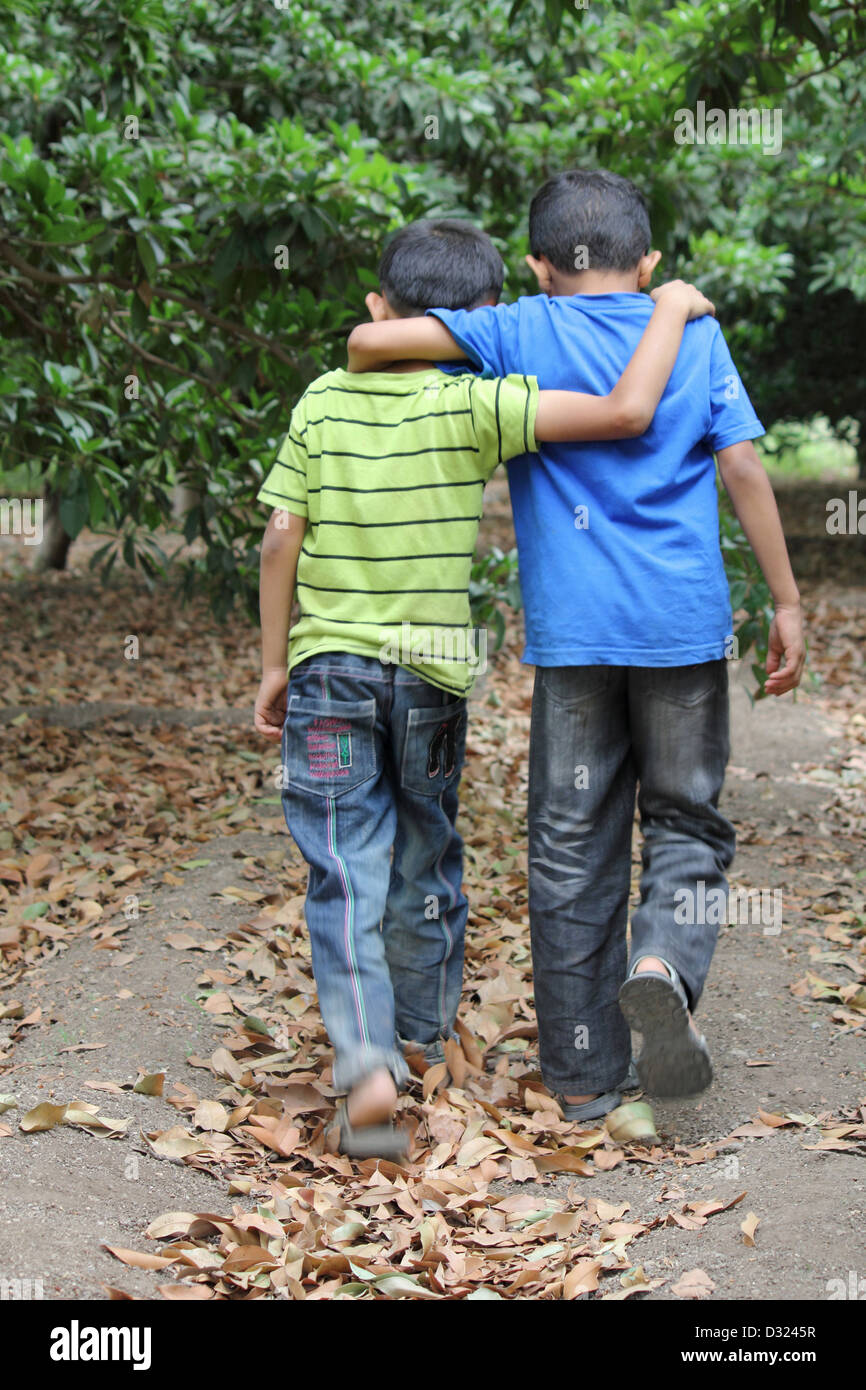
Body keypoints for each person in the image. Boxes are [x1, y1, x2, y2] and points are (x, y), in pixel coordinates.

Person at [344, 172, 806, 1124]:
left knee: (568, 847)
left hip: (575, 643)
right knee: (688, 821)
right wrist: (788, 600)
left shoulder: (516, 327)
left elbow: (372, 343)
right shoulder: (692, 330)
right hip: (681, 631)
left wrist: (485, 321)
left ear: (537, 263)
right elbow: (745, 467)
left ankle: (585, 1075)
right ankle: (661, 963)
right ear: (648, 262)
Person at [254, 216, 715, 1156]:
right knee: (428, 856)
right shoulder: (478, 403)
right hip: (427, 680)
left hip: (327, 674)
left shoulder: (316, 404)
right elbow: (624, 411)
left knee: (344, 871)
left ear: (381, 309)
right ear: (479, 321)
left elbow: (279, 538)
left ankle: (368, 1066)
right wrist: (665, 310)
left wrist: (273, 663)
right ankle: (425, 1038)